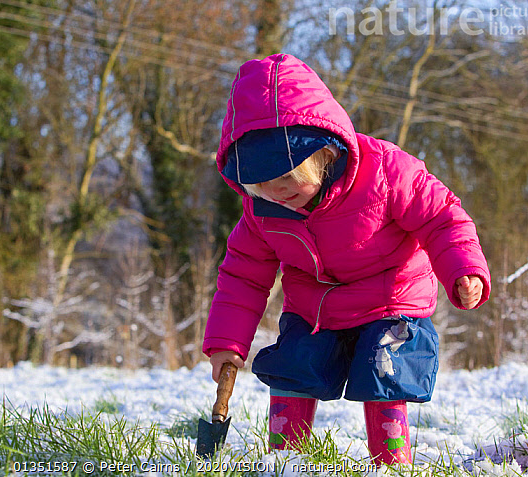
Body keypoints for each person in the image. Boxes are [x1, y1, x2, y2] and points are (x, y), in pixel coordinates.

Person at [202, 53, 490, 466]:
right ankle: (286, 459)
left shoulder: (386, 173)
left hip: (391, 300)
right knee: (293, 366)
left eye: (286, 177)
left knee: (383, 368)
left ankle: (391, 460)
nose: (277, 191)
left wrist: (464, 269)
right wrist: (227, 343)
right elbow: (243, 277)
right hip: (315, 309)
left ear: (323, 151)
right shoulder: (263, 211)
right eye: (261, 184)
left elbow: (442, 218)